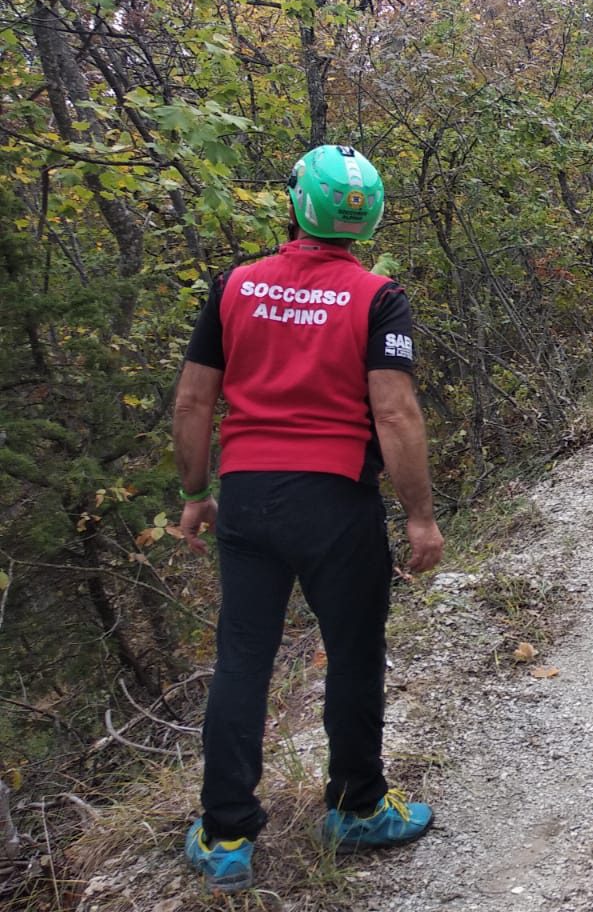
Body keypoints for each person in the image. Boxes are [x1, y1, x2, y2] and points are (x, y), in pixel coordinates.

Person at [172, 144, 443, 892]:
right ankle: (357, 806)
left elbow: (195, 400)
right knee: (354, 654)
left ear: (296, 203)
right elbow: (394, 411)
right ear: (370, 216)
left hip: (250, 498)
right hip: (337, 503)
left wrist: (196, 491)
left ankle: (225, 834)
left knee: (243, 660)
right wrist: (419, 515)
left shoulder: (235, 286)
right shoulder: (378, 296)